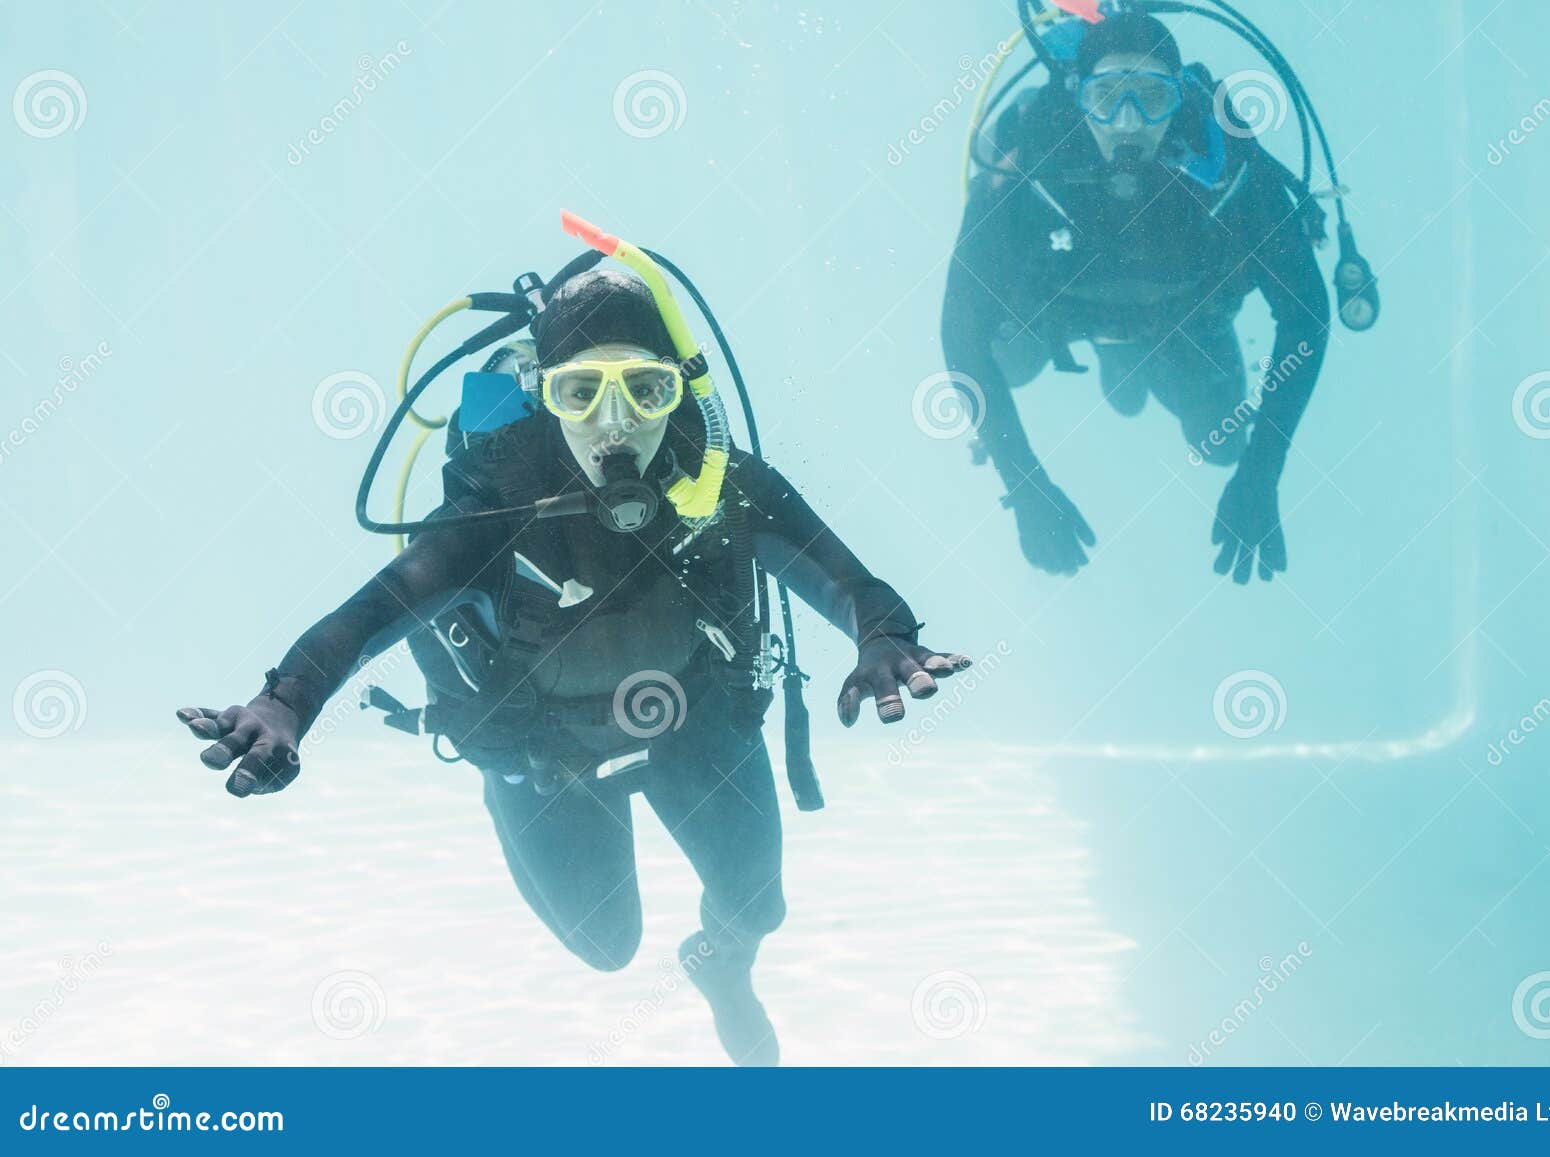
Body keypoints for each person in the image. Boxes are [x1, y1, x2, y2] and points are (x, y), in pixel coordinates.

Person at [177, 265, 967, 1066]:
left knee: (757, 908)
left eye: (646, 391)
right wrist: (289, 702)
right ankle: (519, 799)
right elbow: (373, 612)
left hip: (692, 722)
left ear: (679, 393)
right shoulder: (497, 506)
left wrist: (882, 634)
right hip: (541, 754)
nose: (614, 423)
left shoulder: (718, 484)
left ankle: (721, 969)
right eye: (581, 391)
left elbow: (844, 580)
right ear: (545, 394)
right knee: (606, 944)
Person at [941, 10, 1331, 584]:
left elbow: (1306, 315)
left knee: (1222, 443)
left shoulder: (1225, 159)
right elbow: (961, 331)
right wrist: (1022, 481)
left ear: (1180, 101)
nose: (1129, 121)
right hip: (1057, 319)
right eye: (1107, 97)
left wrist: (1260, 470)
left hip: (1186, 324)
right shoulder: (1031, 155)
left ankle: (1129, 369)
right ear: (1078, 98)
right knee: (1004, 365)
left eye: (1152, 95)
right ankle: (1121, 367)